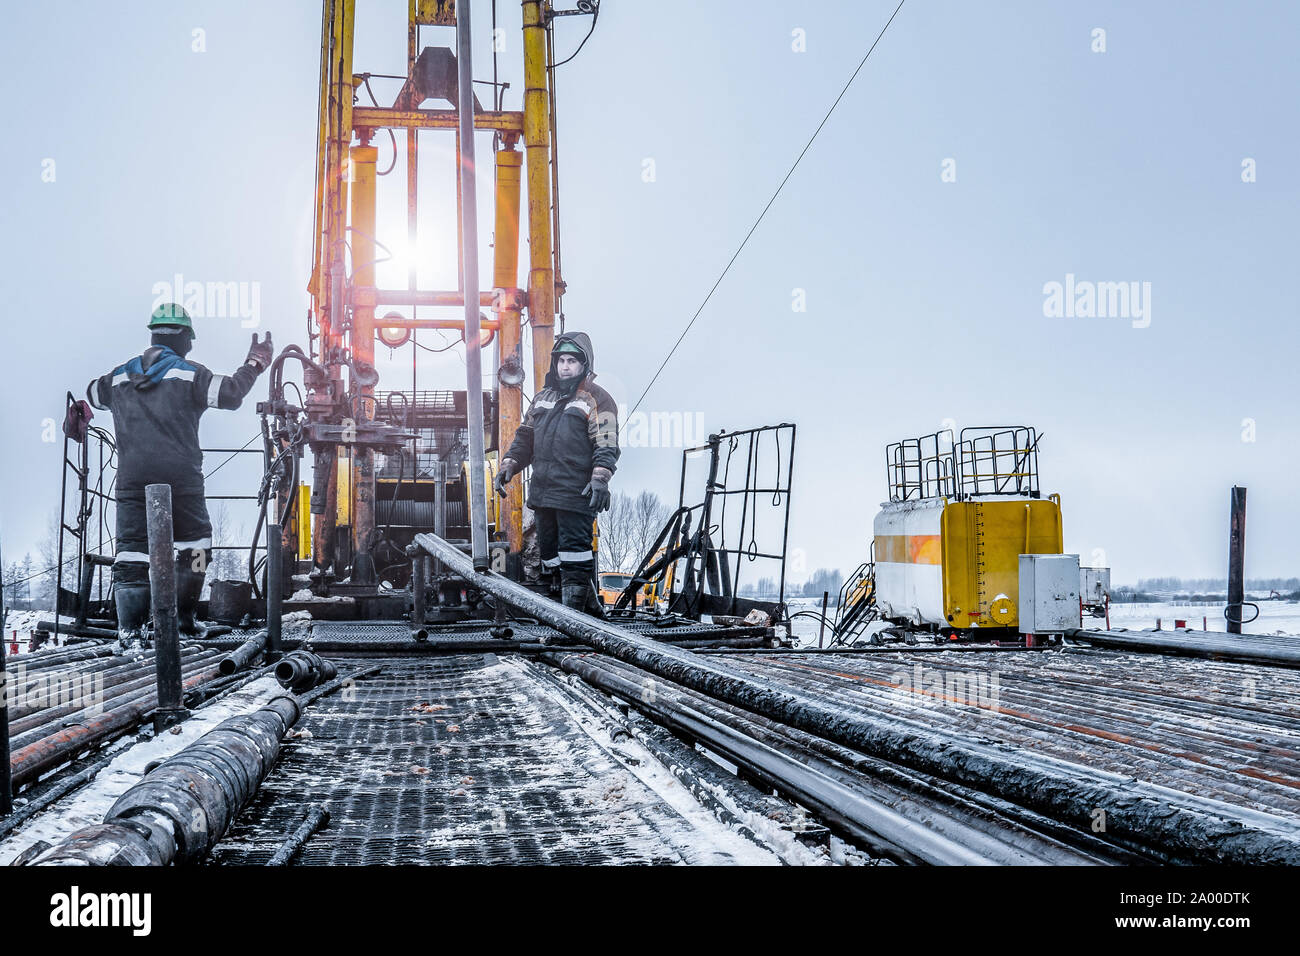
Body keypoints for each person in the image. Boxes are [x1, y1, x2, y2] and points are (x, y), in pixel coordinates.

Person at [85, 304, 273, 650]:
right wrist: (255, 364)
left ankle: (130, 633)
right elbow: (231, 394)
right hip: (181, 478)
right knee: (196, 545)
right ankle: (184, 622)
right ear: (185, 338)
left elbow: (92, 394)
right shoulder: (190, 375)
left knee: (131, 550)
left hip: (131, 480)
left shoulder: (117, 379)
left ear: (153, 334)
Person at [495, 331, 619, 618]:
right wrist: (509, 465)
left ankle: (572, 623)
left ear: (584, 364)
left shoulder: (598, 399)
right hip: (543, 493)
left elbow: (607, 442)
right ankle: (590, 611)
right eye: (561, 360)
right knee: (550, 556)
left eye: (572, 361)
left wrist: (600, 478)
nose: (565, 366)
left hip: (576, 493)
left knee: (575, 555)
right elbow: (525, 439)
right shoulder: (542, 399)